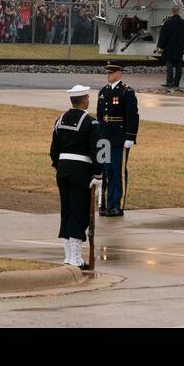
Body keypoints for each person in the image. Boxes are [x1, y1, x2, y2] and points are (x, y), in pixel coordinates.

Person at [51, 85, 102, 269]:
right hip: (81, 171)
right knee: (79, 212)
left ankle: (68, 256)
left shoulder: (59, 120)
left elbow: (53, 150)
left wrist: (60, 166)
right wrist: (99, 174)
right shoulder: (91, 122)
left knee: (66, 211)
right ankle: (76, 258)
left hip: (63, 169)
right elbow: (100, 150)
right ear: (85, 100)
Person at [96, 62, 139, 216]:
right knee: (106, 172)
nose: (108, 75)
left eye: (111, 72)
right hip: (105, 138)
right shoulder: (103, 92)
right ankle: (106, 204)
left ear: (119, 73)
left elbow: (132, 116)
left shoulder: (126, 92)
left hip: (120, 138)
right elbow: (100, 117)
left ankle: (117, 205)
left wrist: (130, 137)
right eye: (108, 73)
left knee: (117, 172)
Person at [156, 5, 184, 88]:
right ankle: (176, 83)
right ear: (179, 11)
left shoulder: (168, 22)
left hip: (169, 47)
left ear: (172, 11)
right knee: (178, 65)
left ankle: (169, 82)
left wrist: (160, 46)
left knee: (169, 65)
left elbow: (163, 36)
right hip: (179, 47)